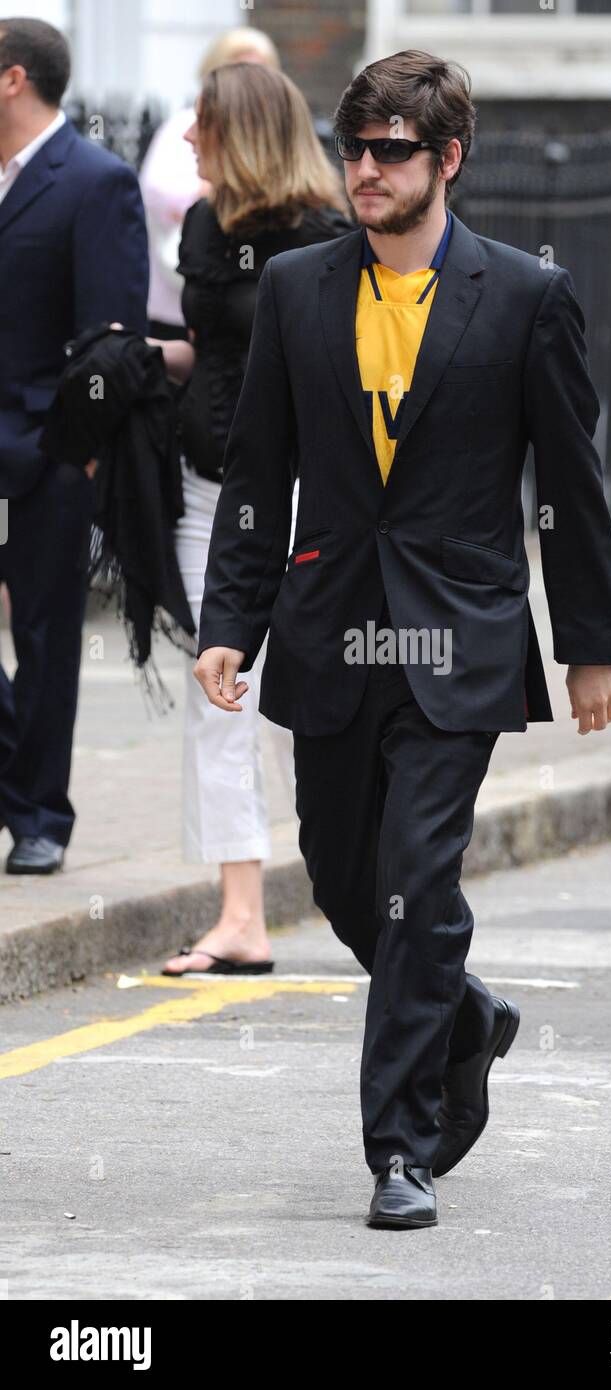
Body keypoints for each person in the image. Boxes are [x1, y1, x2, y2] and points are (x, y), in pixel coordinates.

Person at [193, 50, 611, 1227]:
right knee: (342, 876)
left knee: (415, 880)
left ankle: (402, 1145)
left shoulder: (526, 297)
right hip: (330, 631)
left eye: (393, 151)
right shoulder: (294, 287)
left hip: (462, 640)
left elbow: (571, 485)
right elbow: (257, 472)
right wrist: (231, 621)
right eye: (357, 148)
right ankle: (469, 1016)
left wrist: (592, 643)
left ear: (448, 160)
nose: (368, 170)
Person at [150, 63, 352, 975]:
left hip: (295, 492)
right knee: (216, 691)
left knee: (299, 698)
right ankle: (241, 916)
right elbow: (218, 348)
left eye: (203, 123)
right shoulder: (203, 222)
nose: (188, 138)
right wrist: (138, 357)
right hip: (204, 487)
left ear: (247, 133)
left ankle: (363, 881)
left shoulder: (324, 238)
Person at [0, 16, 148, 873]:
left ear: (13, 79)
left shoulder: (94, 181)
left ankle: (40, 817)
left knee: (49, 637)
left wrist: (78, 451)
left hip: (47, 452)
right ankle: (15, 782)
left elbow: (112, 340)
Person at [139, 25, 280, 341]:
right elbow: (157, 191)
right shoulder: (183, 126)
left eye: (261, 71)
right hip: (178, 304)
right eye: (239, 68)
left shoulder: (274, 134)